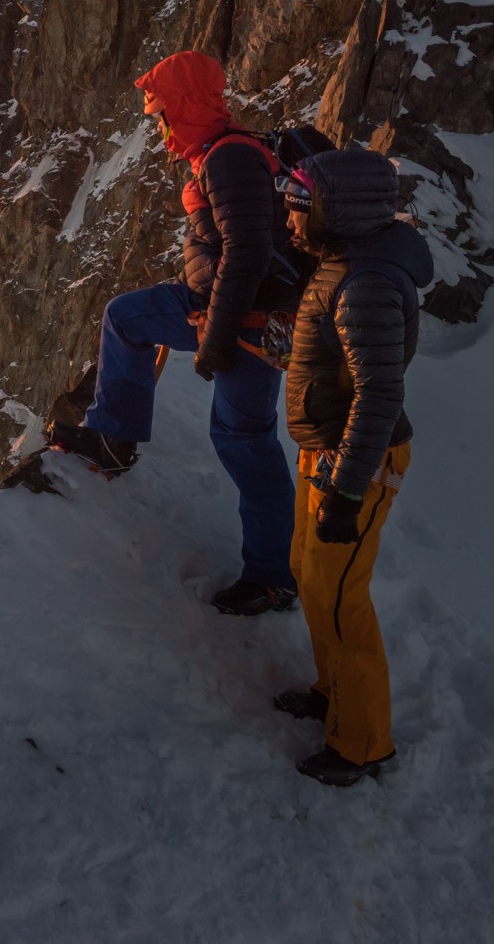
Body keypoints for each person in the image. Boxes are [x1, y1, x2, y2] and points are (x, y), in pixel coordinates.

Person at [49, 51, 307, 616]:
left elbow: (249, 251)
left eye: (162, 114)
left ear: (184, 106)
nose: (160, 131)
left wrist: (214, 335)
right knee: (130, 320)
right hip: (233, 310)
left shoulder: (230, 159)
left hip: (243, 320)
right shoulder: (226, 152)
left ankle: (273, 577)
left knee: (243, 439)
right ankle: (115, 438)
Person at [271, 146, 434, 787]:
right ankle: (330, 688)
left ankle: (364, 743)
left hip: (357, 464)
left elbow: (379, 393)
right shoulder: (342, 264)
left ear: (336, 211)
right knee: (309, 576)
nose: (288, 221)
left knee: (340, 598)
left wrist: (344, 492)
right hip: (329, 453)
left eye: (297, 209)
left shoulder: (365, 280)